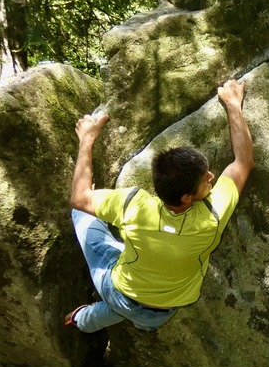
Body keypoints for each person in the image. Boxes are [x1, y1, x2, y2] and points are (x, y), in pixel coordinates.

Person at [65, 79, 253, 332]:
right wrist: (233, 105)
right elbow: (243, 162)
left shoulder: (134, 205)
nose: (212, 177)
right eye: (205, 178)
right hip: (157, 316)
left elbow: (80, 198)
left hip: (120, 291)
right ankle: (84, 321)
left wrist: (87, 139)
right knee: (123, 310)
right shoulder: (211, 216)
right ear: (186, 197)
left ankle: (82, 323)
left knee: (82, 214)